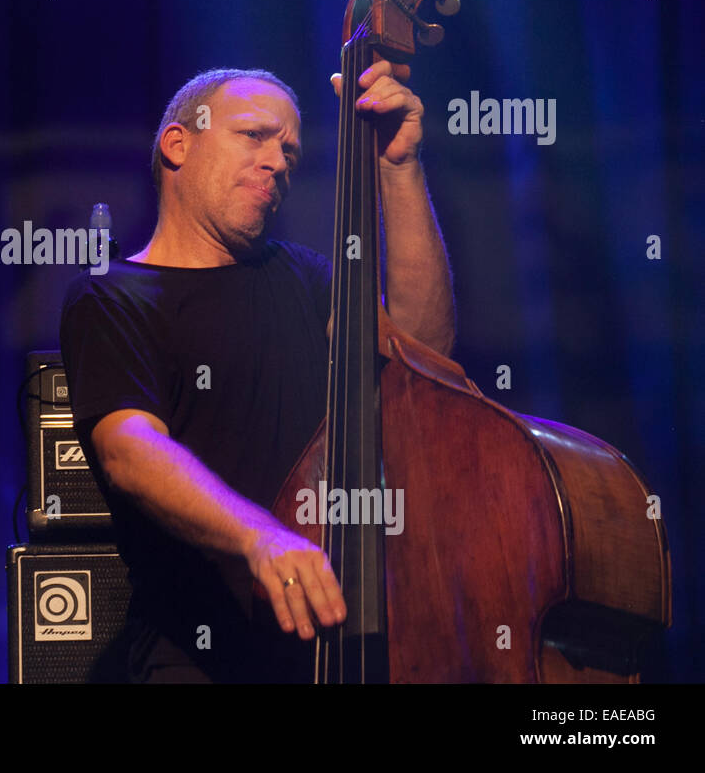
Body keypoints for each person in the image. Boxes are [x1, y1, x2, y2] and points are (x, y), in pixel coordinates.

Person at [59, 64, 455, 682]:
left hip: (333, 643)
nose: (278, 161)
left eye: (290, 149)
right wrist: (262, 537)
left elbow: (423, 358)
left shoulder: (308, 278)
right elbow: (129, 450)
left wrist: (399, 168)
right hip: (195, 660)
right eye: (254, 135)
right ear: (177, 144)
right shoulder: (114, 297)